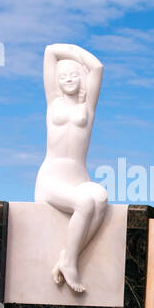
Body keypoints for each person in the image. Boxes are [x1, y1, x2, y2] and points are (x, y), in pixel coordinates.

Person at [34, 43, 108, 293]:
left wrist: (80, 62)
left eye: (74, 75)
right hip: (51, 179)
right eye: (63, 75)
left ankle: (66, 257)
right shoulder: (52, 102)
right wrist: (73, 57)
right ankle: (71, 263)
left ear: (83, 80)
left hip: (78, 179)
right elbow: (50, 52)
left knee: (100, 197)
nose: (68, 79)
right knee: (85, 204)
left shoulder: (87, 108)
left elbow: (97, 66)